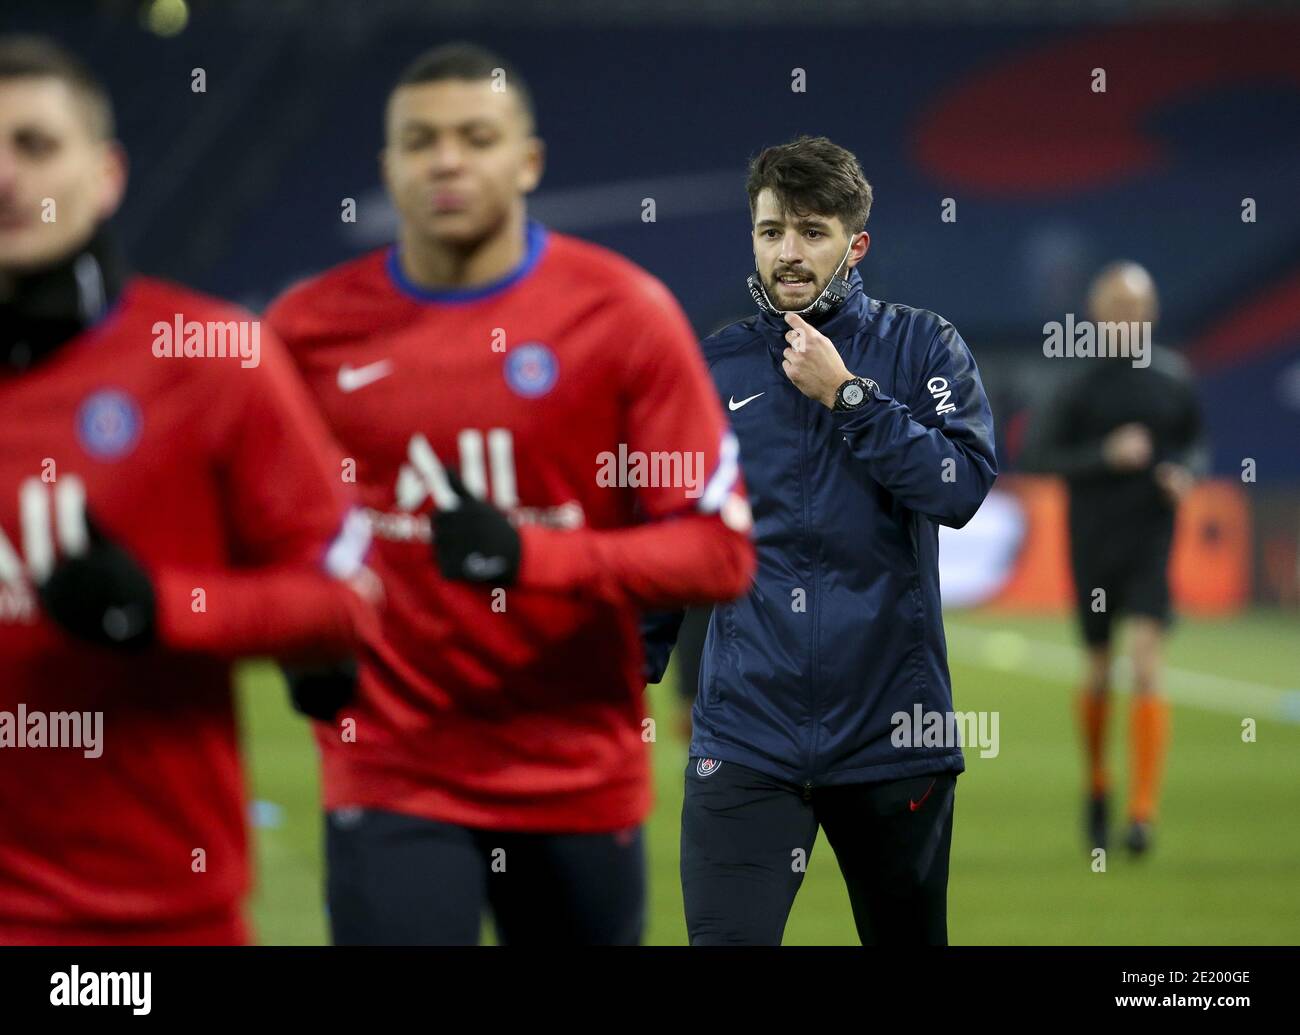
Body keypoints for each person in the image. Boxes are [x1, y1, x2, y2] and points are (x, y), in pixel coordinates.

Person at [266, 42, 755, 946]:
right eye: (421, 141)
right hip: (390, 763)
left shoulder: (624, 315)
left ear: (526, 160)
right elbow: (261, 528)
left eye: (475, 136)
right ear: (389, 169)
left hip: (572, 769)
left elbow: (717, 550)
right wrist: (303, 638)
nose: (447, 159)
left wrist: (531, 555)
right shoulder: (308, 329)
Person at [0, 36, 378, 945]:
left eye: (35, 146)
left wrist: (159, 608)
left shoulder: (209, 355)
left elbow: (343, 601)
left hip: (146, 919)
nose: (4, 177)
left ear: (107, 174)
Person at [644, 135, 997, 945]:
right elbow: (671, 527)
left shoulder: (922, 347)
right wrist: (626, 664)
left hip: (892, 737)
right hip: (746, 738)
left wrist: (848, 398)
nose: (789, 252)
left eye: (811, 231)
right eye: (772, 232)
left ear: (855, 243)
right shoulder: (716, 366)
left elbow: (961, 488)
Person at [1021, 261, 1207, 857]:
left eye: (1137, 307)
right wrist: (1106, 454)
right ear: (1098, 315)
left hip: (1151, 537)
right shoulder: (1076, 385)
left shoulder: (1173, 378)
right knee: (1100, 669)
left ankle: (1142, 814)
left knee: (1149, 664)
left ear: (1150, 314)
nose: (1128, 318)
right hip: (1093, 540)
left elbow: (1195, 443)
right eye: (1116, 307)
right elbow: (1038, 455)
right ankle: (1098, 784)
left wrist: (1186, 473)